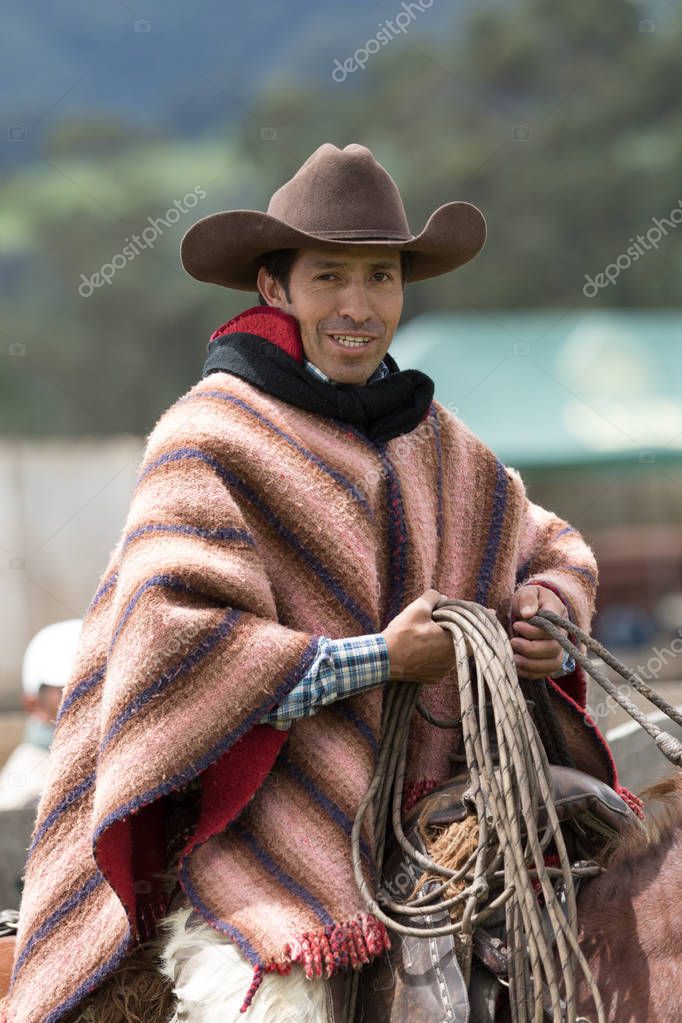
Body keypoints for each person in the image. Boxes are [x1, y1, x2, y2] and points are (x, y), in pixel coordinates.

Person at [1, 144, 635, 1023]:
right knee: (282, 1006)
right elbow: (175, 646)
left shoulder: (438, 443)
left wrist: (544, 611)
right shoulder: (209, 439)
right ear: (275, 287)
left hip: (426, 828)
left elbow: (551, 545)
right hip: (247, 844)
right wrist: (383, 659)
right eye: (330, 276)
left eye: (381, 277)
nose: (357, 305)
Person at [0, 619, 82, 812]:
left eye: (100, 682)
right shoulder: (23, 795)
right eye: (72, 690)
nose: (91, 698)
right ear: (34, 705)